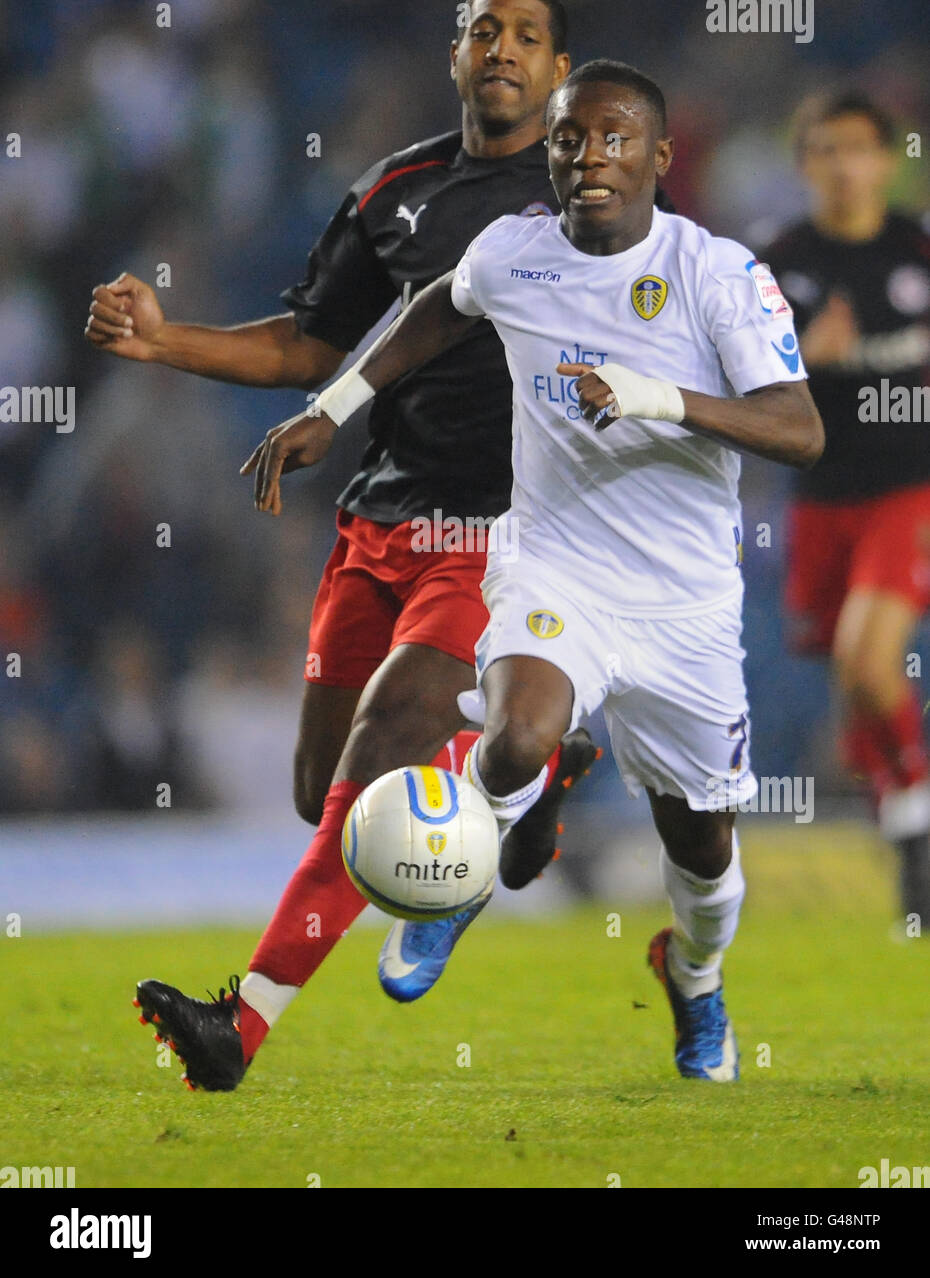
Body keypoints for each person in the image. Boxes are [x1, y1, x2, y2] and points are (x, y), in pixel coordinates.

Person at [135, 60, 823, 1089]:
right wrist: (337, 404)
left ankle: (693, 970)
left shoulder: (716, 276)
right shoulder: (514, 251)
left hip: (684, 609)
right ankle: (459, 884)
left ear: (662, 156)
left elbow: (799, 429)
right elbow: (440, 308)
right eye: (569, 141)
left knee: (705, 858)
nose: (590, 159)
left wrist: (663, 399)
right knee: (512, 735)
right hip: (554, 568)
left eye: (615, 140)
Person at [763, 91, 930, 923]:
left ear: (888, 159)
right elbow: (736, 386)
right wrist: (799, 358)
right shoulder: (776, 264)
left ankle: (917, 820)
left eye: (858, 148)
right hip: (820, 501)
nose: (843, 165)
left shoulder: (918, 251)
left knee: (872, 662)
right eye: (824, 150)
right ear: (805, 165)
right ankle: (904, 829)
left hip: (911, 493)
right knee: (855, 694)